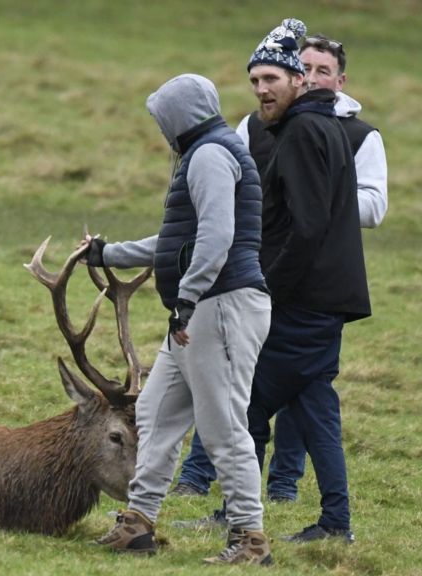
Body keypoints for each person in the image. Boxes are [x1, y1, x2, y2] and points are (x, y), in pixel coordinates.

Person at [175, 18, 370, 544]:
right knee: (315, 405)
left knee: (248, 404)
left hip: (304, 301)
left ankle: (238, 517)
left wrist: (266, 287)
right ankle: (335, 523)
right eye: (255, 80)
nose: (262, 90)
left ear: (298, 81)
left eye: (272, 79)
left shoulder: (305, 131)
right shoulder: (320, 125)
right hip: (326, 300)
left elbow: (307, 227)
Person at [89, 73, 274, 565]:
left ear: (178, 116)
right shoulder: (206, 152)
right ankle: (137, 524)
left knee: (223, 428)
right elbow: (174, 243)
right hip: (202, 312)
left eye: (161, 118)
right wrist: (110, 253)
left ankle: (250, 539)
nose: (160, 129)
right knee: (156, 413)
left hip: (220, 308)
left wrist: (188, 298)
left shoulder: (211, 155)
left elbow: (216, 237)